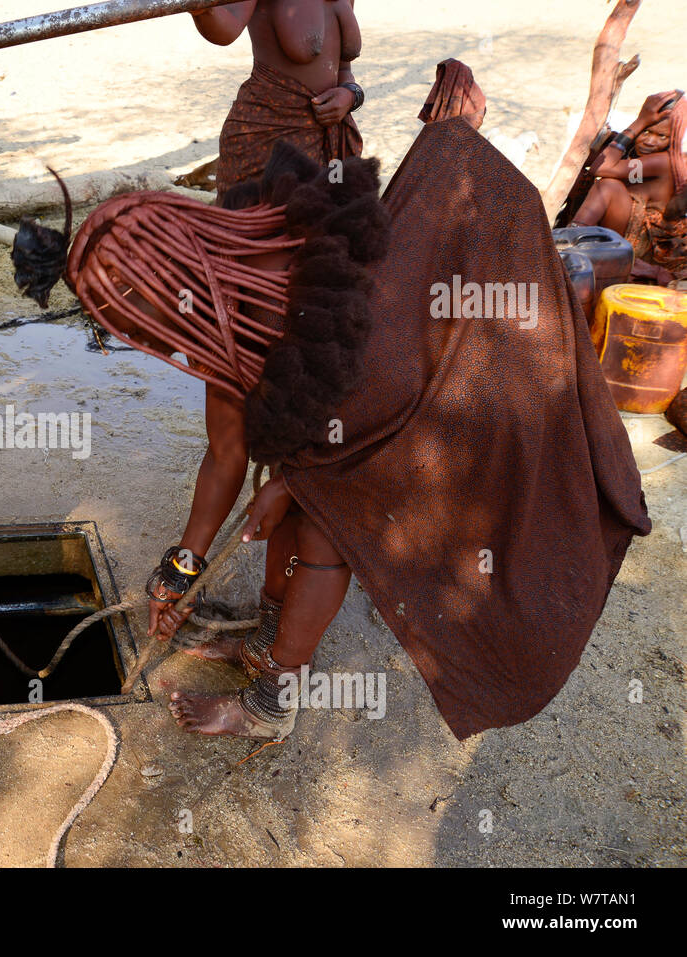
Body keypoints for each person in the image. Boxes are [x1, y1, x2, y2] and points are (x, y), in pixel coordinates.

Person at [64, 110, 650, 742]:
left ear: (165, 273)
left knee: (326, 515)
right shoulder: (218, 310)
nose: (124, 335)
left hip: (442, 381)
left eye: (121, 312)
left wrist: (292, 485)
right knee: (296, 480)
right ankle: (268, 636)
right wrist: (180, 567)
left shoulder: (289, 274)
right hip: (375, 391)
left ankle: (272, 699)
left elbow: (377, 401)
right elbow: (227, 453)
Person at [191, 0, 364, 199]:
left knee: (327, 220)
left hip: (330, 141)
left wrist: (351, 94)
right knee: (257, 224)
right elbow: (225, 30)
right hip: (266, 137)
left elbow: (343, 69)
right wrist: (202, 9)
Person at [574, 92, 687, 285]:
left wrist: (640, 122)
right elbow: (586, 158)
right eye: (646, 131)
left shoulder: (664, 162)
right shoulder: (639, 158)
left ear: (674, 137)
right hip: (622, 241)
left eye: (662, 136)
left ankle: (571, 239)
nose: (650, 141)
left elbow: (601, 168)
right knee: (607, 182)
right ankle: (572, 241)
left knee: (608, 186)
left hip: (639, 252)